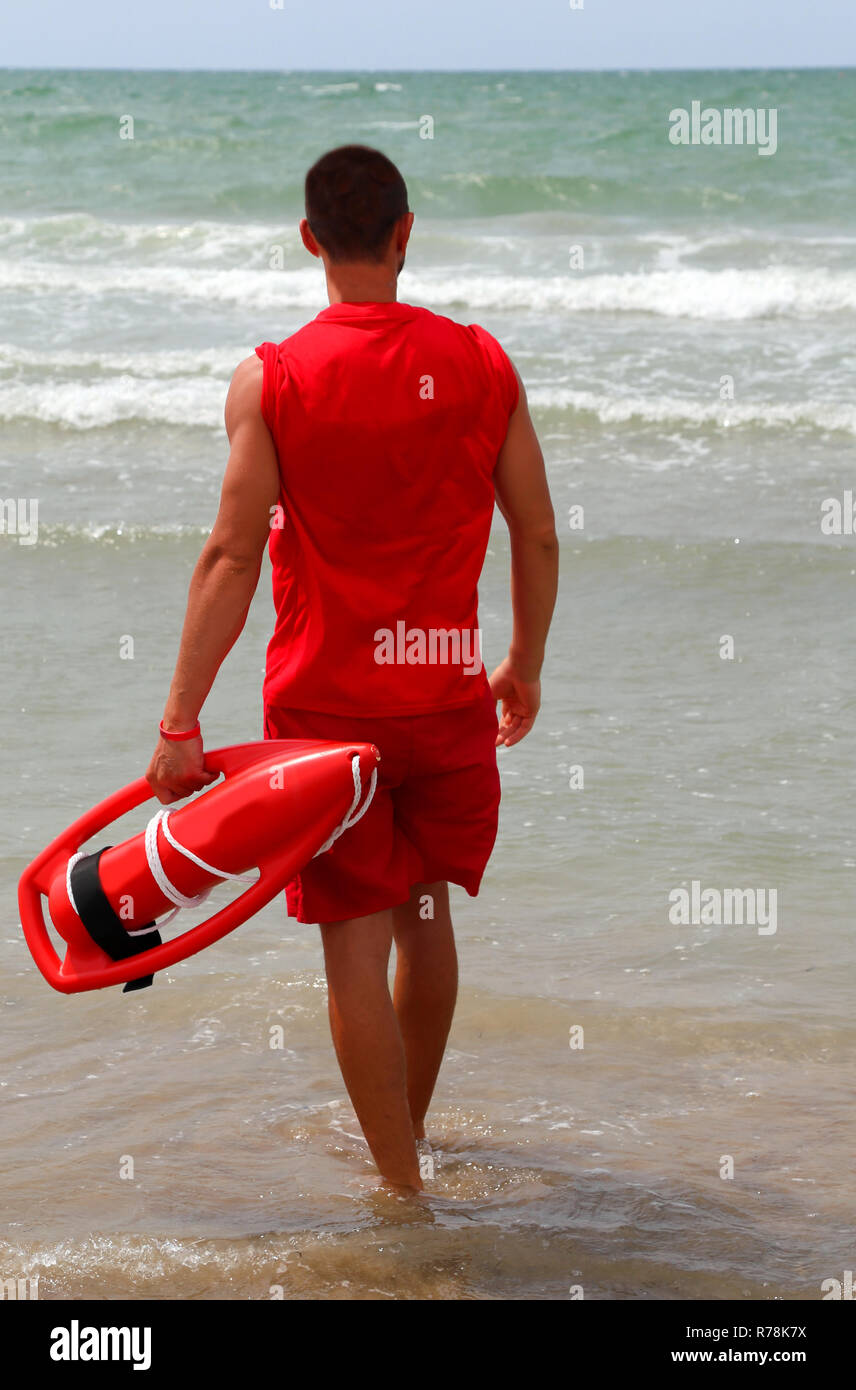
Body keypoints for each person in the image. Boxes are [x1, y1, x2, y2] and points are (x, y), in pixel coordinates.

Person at [146, 145, 558, 1192]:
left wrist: (181, 722)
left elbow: (233, 554)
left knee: (351, 948)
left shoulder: (273, 379)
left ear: (309, 241)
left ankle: (400, 1190)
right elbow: (539, 533)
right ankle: (407, 1142)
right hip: (443, 698)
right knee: (426, 916)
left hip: (330, 718)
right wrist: (523, 662)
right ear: (406, 233)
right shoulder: (479, 362)